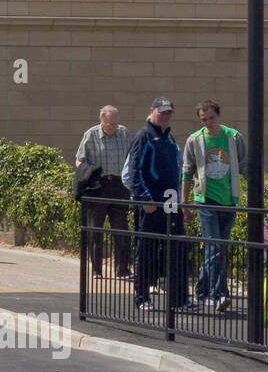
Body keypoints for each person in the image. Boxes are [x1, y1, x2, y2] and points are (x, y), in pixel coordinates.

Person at [123, 97, 188, 312]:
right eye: (162, 112)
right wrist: (145, 200)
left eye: (169, 112)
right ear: (152, 111)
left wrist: (180, 201)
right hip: (152, 205)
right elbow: (134, 172)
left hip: (171, 204)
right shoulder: (144, 136)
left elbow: (176, 171)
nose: (165, 116)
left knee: (177, 249)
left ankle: (180, 300)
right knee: (147, 250)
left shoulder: (169, 140)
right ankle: (142, 296)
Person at [181, 100, 246, 313]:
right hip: (205, 199)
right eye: (204, 119)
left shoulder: (233, 137)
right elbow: (187, 171)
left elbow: (245, 166)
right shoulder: (195, 140)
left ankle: (201, 290)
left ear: (218, 115)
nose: (208, 122)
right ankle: (220, 294)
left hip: (228, 200)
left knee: (216, 248)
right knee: (215, 246)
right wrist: (185, 203)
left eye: (211, 118)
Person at [75, 105, 133, 282]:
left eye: (115, 123)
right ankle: (97, 269)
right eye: (109, 124)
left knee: (121, 229)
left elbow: (133, 157)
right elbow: (79, 160)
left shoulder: (124, 133)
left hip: (119, 186)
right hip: (98, 185)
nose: (113, 127)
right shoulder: (91, 134)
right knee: (95, 230)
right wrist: (89, 173)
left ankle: (122, 269)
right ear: (102, 120)